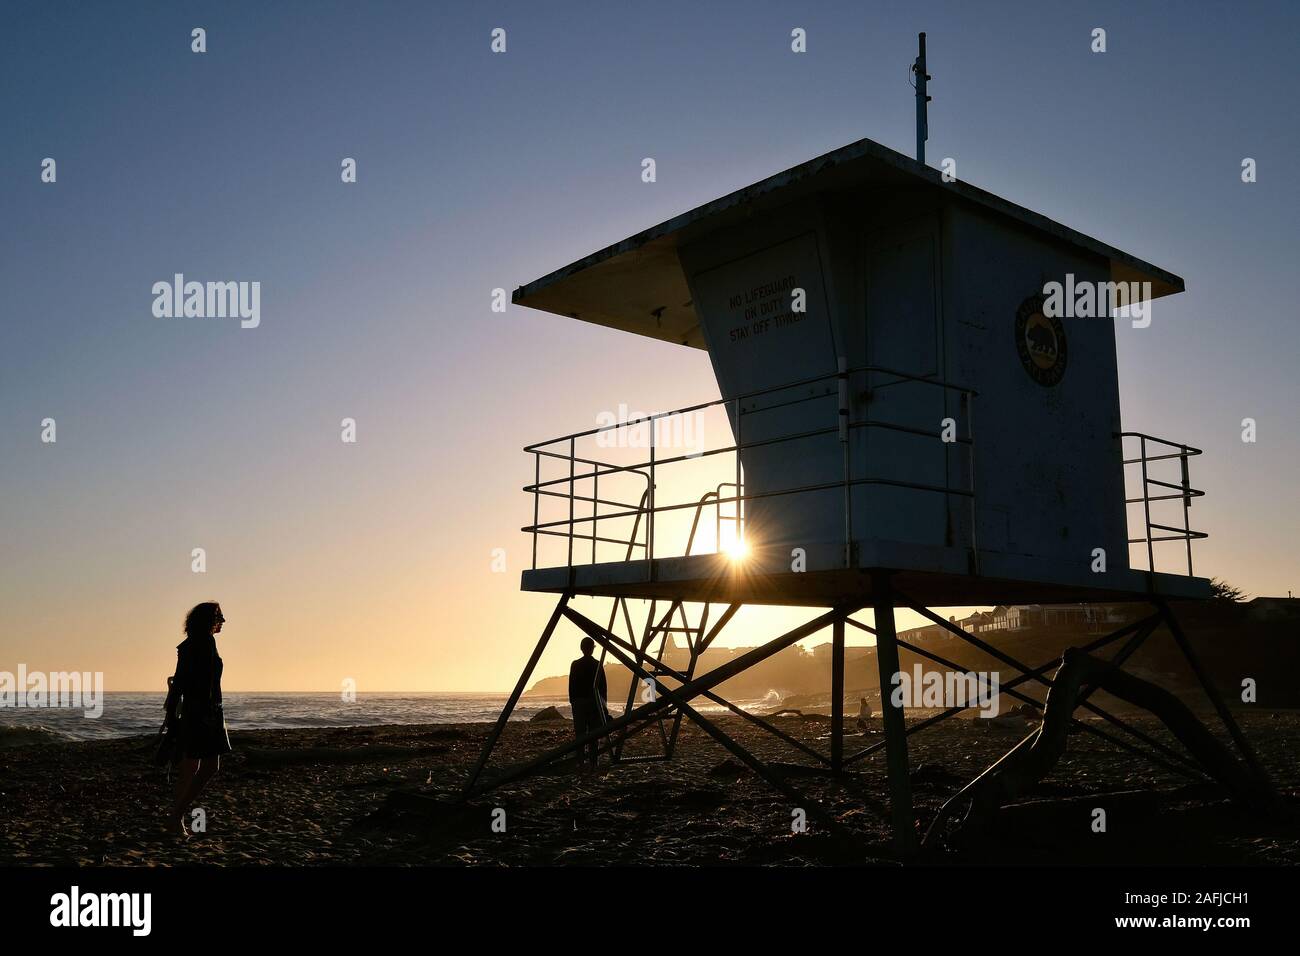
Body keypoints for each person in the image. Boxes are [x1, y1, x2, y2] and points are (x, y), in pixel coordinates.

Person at [166, 602, 233, 836]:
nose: (223, 621)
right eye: (220, 616)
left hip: (198, 712)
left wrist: (171, 709)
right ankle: (176, 817)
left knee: (190, 768)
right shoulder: (204, 643)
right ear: (210, 620)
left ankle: (177, 818)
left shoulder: (190, 644)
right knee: (208, 767)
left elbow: (181, 680)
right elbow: (189, 681)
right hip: (205, 713)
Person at [567, 637, 608, 771]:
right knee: (593, 734)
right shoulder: (597, 664)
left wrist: (573, 701)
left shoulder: (575, 664)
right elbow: (603, 687)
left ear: (582, 648)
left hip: (579, 702)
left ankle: (581, 761)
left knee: (580, 734)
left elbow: (571, 685)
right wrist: (604, 706)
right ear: (592, 649)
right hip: (594, 702)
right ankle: (593, 762)